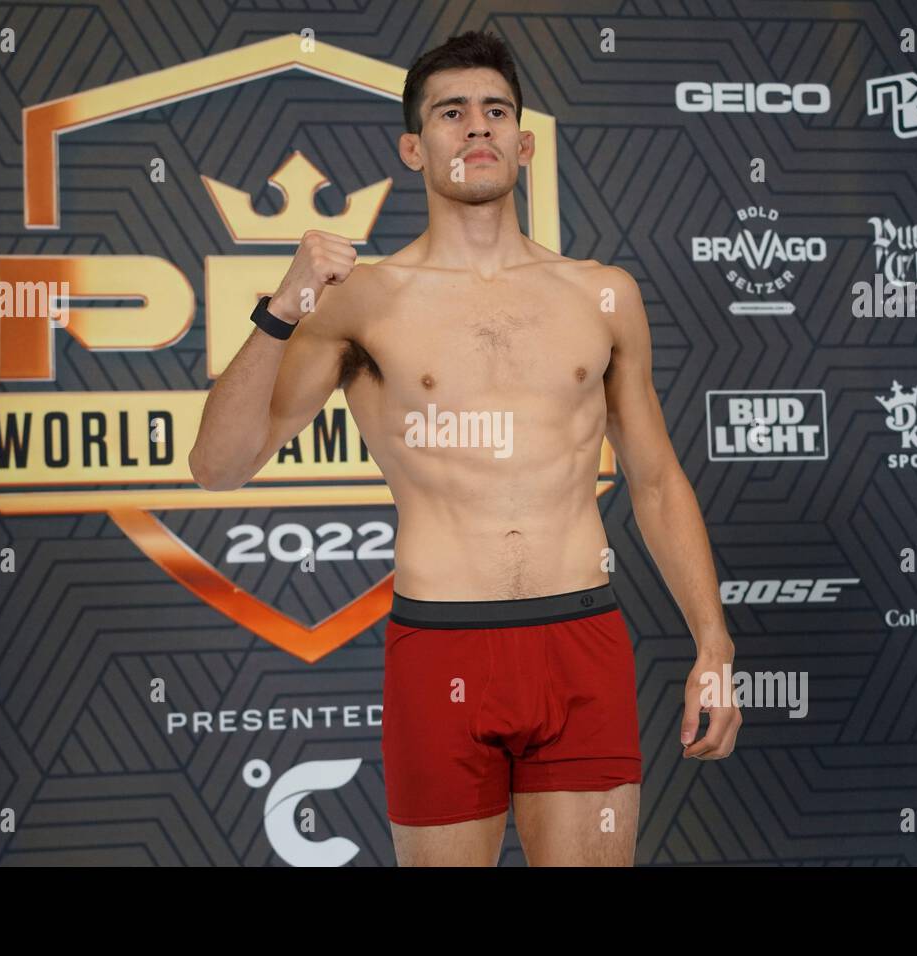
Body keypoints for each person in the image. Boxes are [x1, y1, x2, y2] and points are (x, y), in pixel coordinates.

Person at [188, 30, 740, 866]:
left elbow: (657, 481)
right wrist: (283, 306)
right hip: (440, 647)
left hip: (580, 641)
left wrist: (713, 645)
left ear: (522, 142)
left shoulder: (602, 295)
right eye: (451, 113)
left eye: (495, 111)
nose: (475, 127)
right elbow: (218, 465)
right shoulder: (359, 302)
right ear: (415, 147)